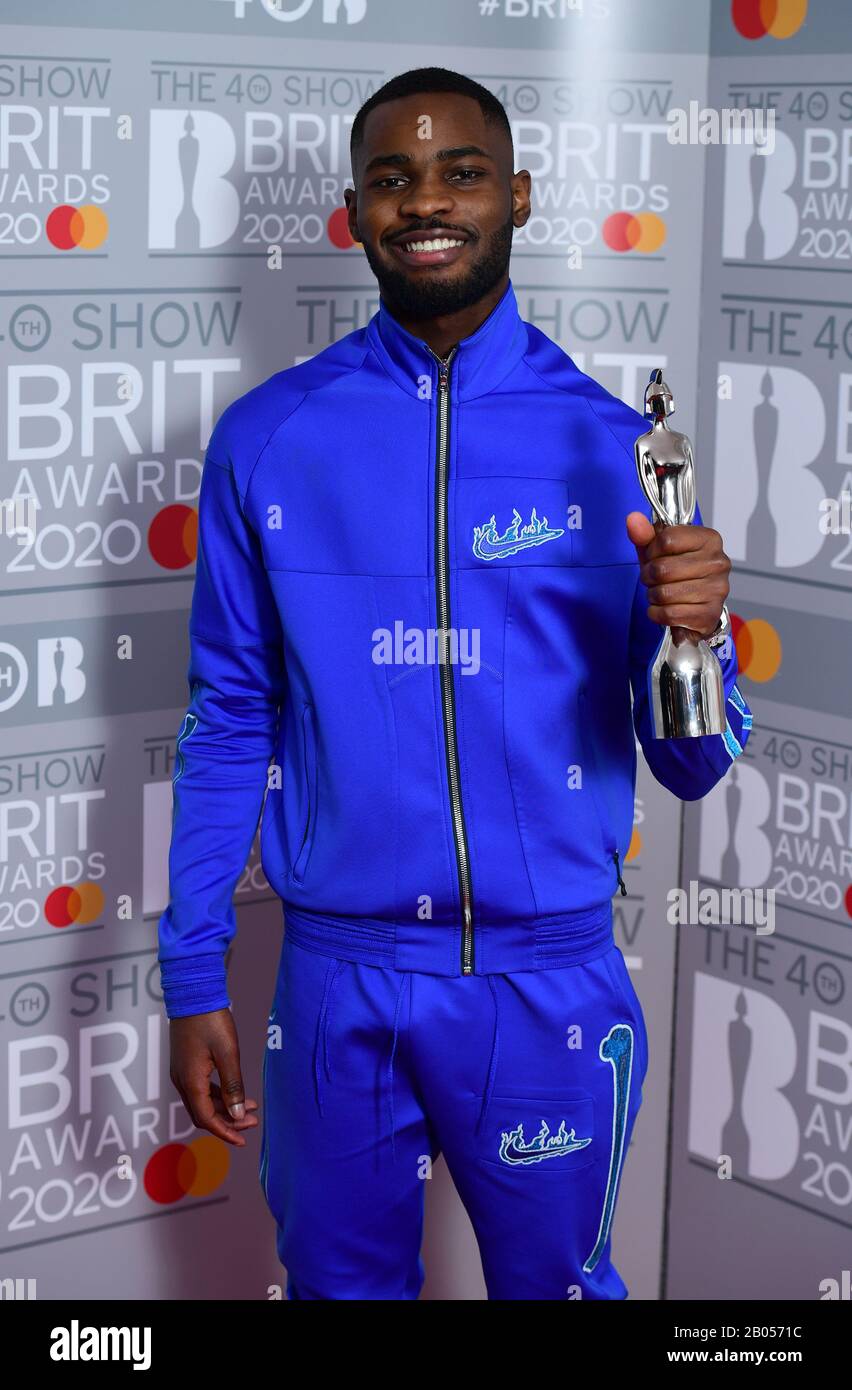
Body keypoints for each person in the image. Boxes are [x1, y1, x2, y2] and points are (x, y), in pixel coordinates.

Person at [158, 66, 751, 1301]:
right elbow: (230, 719)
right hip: (335, 980)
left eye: (462, 172)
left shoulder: (613, 444)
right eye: (392, 177)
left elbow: (694, 761)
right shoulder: (268, 437)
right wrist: (196, 972)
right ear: (356, 211)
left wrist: (697, 633)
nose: (425, 200)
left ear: (518, 196)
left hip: (550, 985)